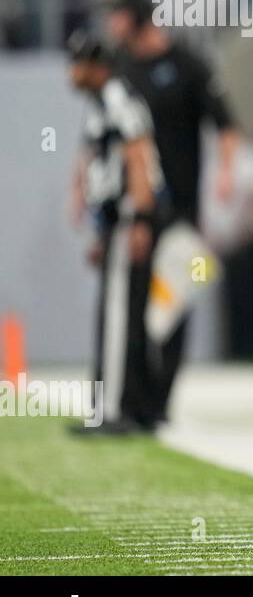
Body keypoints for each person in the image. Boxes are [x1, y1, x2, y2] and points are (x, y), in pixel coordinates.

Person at [105, 0, 238, 421]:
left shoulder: (188, 64)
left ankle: (161, 397)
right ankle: (136, 398)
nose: (112, 27)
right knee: (135, 301)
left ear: (138, 19)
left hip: (182, 205)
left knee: (175, 298)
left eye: (119, 18)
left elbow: (225, 123)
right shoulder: (123, 70)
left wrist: (225, 173)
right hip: (137, 205)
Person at [67, 31, 166, 434]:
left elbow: (139, 157)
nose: (71, 72)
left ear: (97, 66)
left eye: (78, 63)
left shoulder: (117, 100)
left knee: (117, 315)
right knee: (122, 311)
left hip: (129, 217)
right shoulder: (102, 103)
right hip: (118, 221)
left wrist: (140, 218)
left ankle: (112, 410)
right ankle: (137, 406)